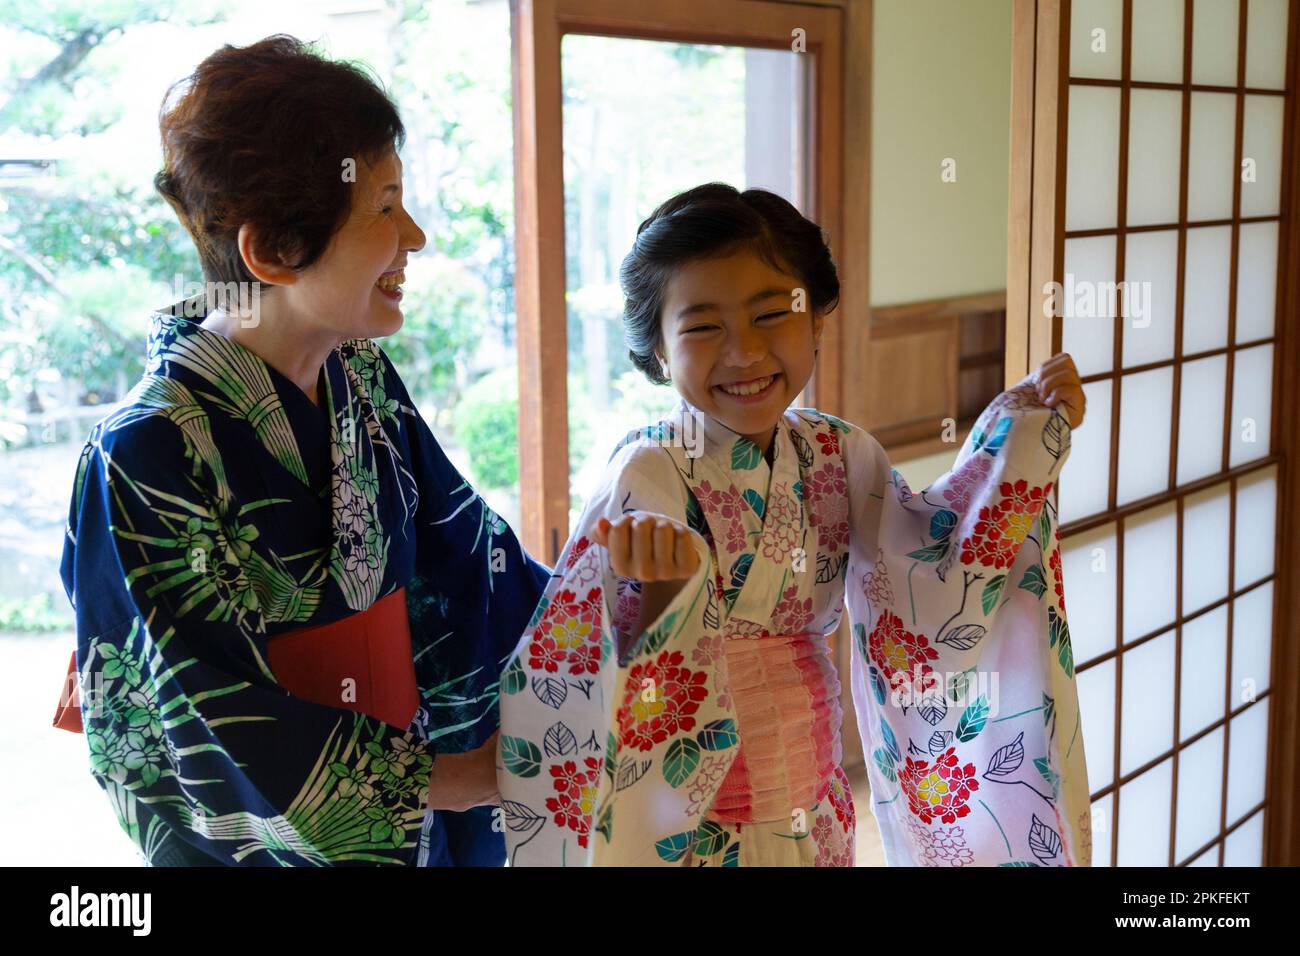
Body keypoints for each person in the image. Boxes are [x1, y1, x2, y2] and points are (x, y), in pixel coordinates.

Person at [56, 35, 549, 866]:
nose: (415, 236)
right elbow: (200, 714)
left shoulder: (363, 377)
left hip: (417, 822)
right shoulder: (141, 451)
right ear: (274, 251)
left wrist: (610, 601)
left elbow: (472, 562)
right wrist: (450, 778)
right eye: (384, 208)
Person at [497, 183, 1091, 866]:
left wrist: (1020, 434)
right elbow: (585, 667)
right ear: (658, 349)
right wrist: (661, 596)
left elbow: (933, 564)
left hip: (818, 808)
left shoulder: (840, 451)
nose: (744, 352)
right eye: (702, 327)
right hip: (689, 830)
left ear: (816, 324)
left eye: (771, 314)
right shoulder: (648, 471)